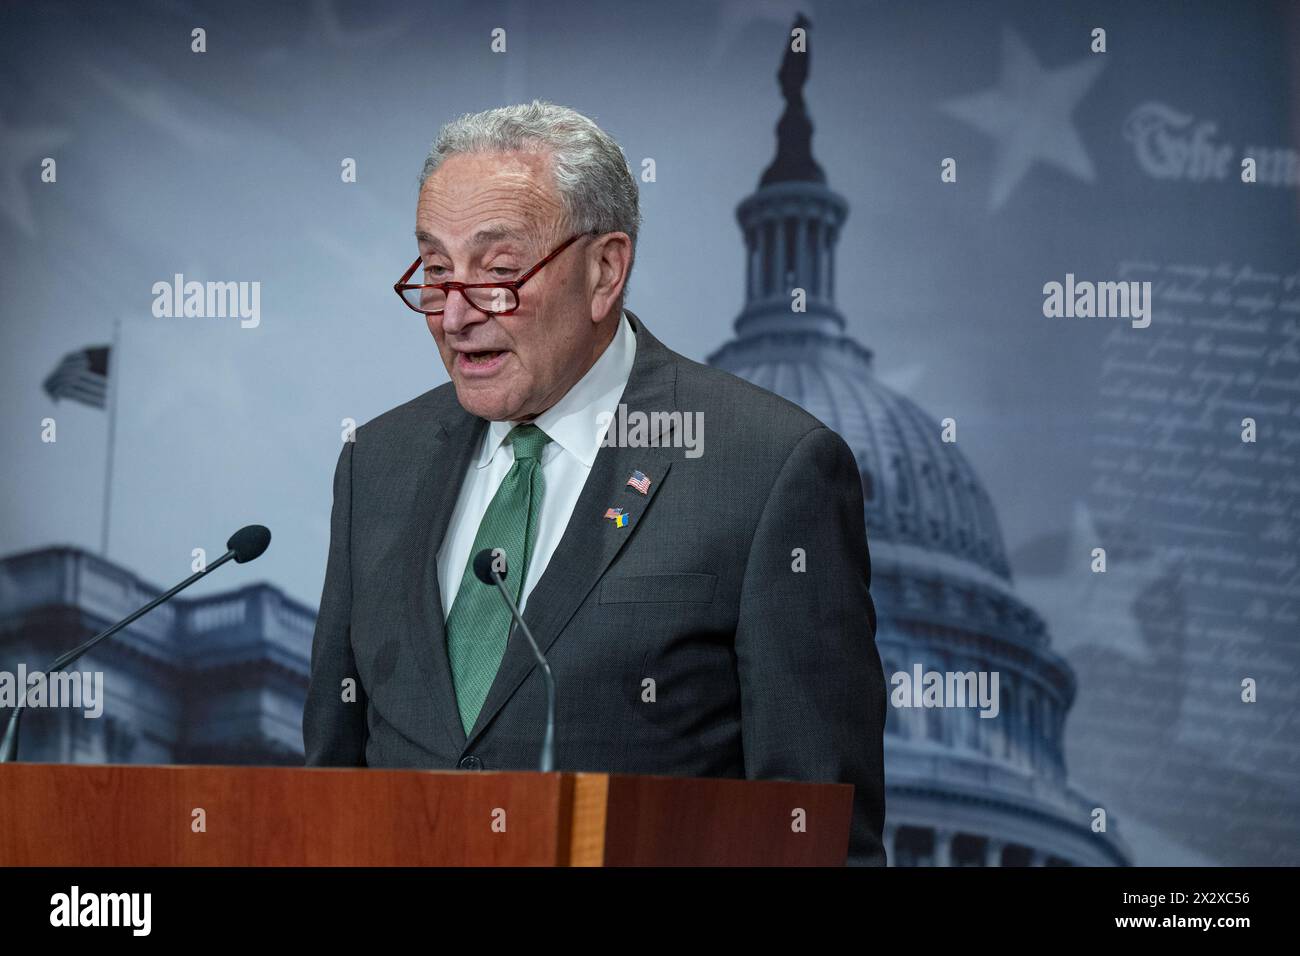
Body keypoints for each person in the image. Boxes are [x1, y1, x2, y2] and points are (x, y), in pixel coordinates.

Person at [303, 100, 887, 865]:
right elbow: (329, 787)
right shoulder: (377, 462)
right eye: (437, 273)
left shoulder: (769, 468)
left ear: (605, 270)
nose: (453, 316)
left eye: (499, 273)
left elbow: (815, 836)